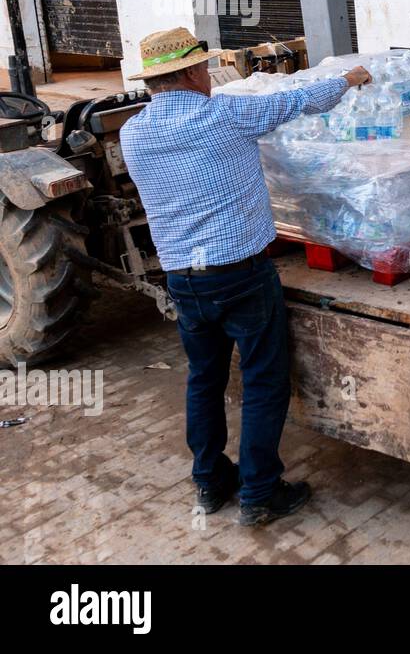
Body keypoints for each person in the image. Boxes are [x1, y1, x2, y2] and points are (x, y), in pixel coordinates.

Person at [119, 27, 371, 525]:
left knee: (204, 381)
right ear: (192, 73)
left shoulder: (133, 132)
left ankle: (210, 484)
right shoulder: (224, 115)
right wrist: (348, 78)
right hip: (242, 276)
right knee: (263, 381)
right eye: (205, 70)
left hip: (182, 279)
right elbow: (297, 100)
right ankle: (259, 493)